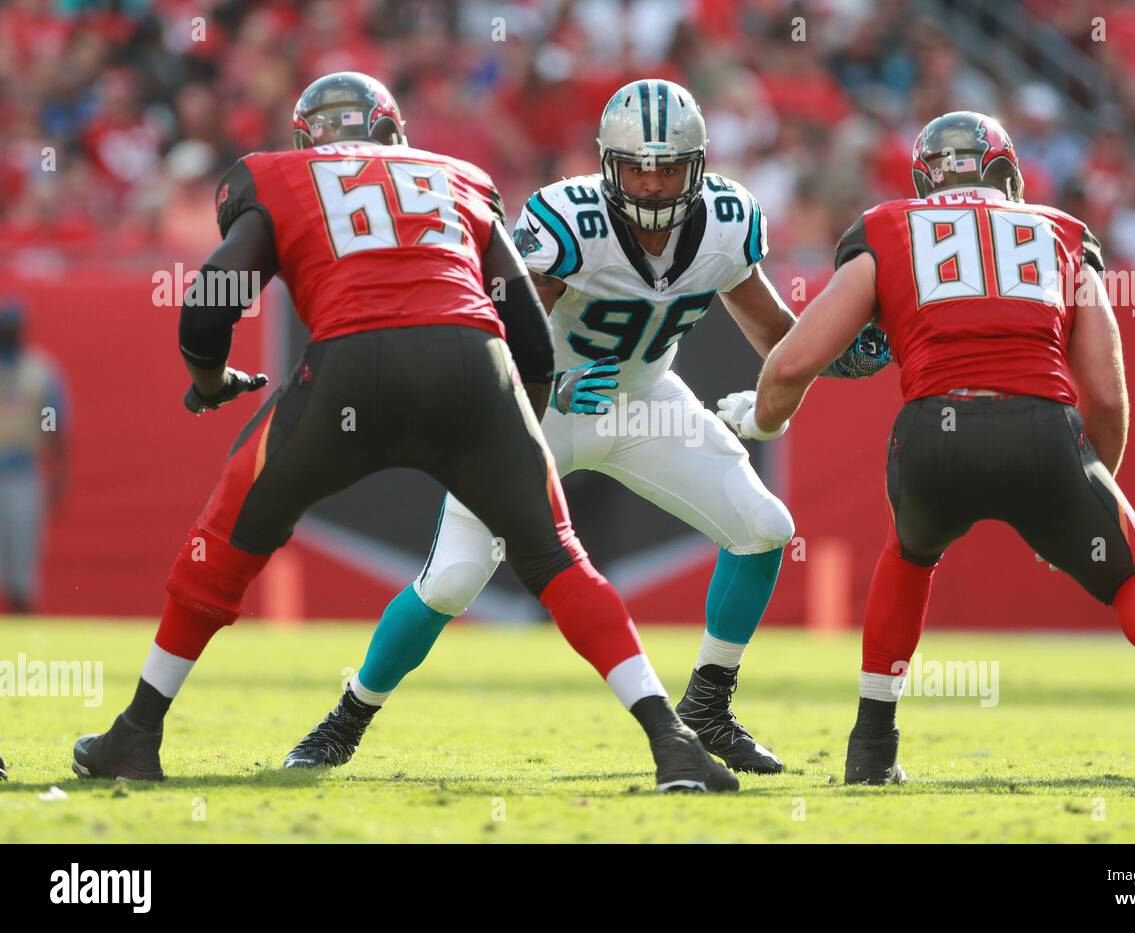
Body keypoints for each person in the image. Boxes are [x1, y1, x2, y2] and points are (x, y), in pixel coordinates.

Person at [72, 71, 736, 793]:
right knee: (556, 556)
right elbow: (531, 339)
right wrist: (516, 428)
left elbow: (209, 301)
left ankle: (138, 730)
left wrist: (208, 380)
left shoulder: (276, 175)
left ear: (307, 140)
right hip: (475, 366)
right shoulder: (460, 178)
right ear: (397, 134)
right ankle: (671, 741)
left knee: (228, 536)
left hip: (350, 368)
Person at [286, 79, 890, 775]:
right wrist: (555, 384)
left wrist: (841, 353)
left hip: (642, 400)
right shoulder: (568, 218)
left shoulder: (728, 219)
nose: (654, 184)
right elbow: (493, 332)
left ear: (698, 165)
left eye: (669, 167)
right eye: (638, 166)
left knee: (764, 527)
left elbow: (776, 337)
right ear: (609, 164)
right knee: (452, 577)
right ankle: (348, 716)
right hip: (532, 409)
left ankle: (707, 708)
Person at [720, 110, 1135, 784]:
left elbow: (789, 364)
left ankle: (872, 743)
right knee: (1131, 573)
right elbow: (1106, 392)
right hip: (1042, 427)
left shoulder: (889, 227)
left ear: (926, 180)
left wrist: (764, 422)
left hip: (930, 434)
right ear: (1007, 171)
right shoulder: (1062, 233)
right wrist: (1083, 493)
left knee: (909, 557)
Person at [0, 301, 69, 613]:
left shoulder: (38, 372)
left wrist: (57, 470)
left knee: (22, 561)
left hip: (22, 472)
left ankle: (20, 638)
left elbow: (51, 420)